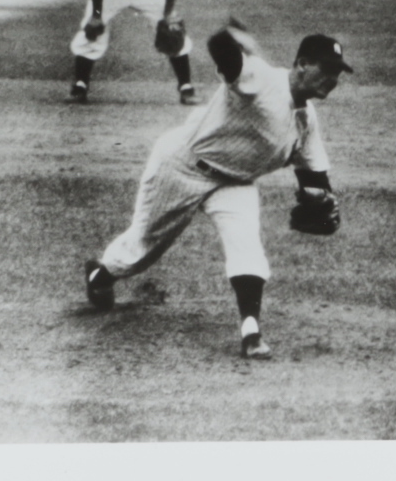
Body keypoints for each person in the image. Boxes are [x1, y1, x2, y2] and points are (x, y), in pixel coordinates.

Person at [84, 21, 353, 360]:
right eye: (326, 69)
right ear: (301, 64)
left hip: (234, 183)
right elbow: (224, 56)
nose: (333, 79)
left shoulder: (306, 121)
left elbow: (314, 176)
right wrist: (231, 36)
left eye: (338, 73)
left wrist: (322, 197)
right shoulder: (261, 77)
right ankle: (99, 273)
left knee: (248, 248)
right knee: (142, 247)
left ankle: (251, 332)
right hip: (182, 166)